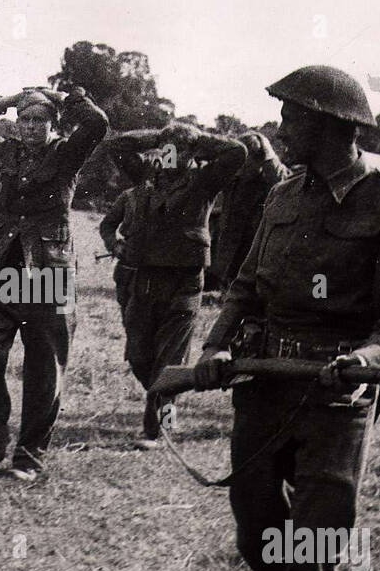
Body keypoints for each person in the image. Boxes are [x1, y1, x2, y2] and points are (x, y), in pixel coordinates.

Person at [194, 65, 380, 571]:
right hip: (266, 381)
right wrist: (215, 347)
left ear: (331, 124)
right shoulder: (282, 194)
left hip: (337, 396)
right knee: (258, 529)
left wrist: (366, 360)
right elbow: (244, 285)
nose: (280, 129)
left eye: (292, 117)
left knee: (316, 532)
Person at [0, 85, 108, 480]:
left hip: (47, 269)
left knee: (44, 367)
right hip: (0, 266)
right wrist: (5, 101)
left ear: (53, 124)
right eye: (26, 119)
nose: (32, 126)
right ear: (17, 123)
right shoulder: (1, 151)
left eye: (40, 119)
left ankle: (29, 456)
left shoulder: (66, 154)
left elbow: (97, 122)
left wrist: (64, 96)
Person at [99, 122, 281, 448]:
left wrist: (195, 140)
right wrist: (160, 135)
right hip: (143, 278)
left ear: (192, 154)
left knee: (170, 359)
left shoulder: (203, 182)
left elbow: (236, 152)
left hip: (184, 280)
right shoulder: (143, 179)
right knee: (139, 355)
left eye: (179, 151)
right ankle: (163, 402)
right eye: (166, 149)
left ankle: (160, 428)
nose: (170, 155)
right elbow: (117, 146)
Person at [208, 139, 290, 291]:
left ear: (260, 160)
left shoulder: (269, 181)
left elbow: (283, 183)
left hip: (256, 242)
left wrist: (269, 155)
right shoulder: (234, 180)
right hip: (232, 243)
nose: (241, 166)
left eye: (246, 161)